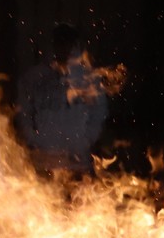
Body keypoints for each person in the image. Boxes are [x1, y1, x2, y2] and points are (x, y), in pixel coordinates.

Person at [15, 23, 110, 173]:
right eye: (60, 43)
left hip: (77, 161)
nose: (65, 49)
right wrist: (34, 140)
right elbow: (24, 112)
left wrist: (83, 143)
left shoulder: (88, 78)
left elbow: (99, 115)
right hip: (44, 160)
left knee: (83, 196)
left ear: (75, 46)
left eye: (69, 44)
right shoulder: (35, 78)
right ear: (53, 45)